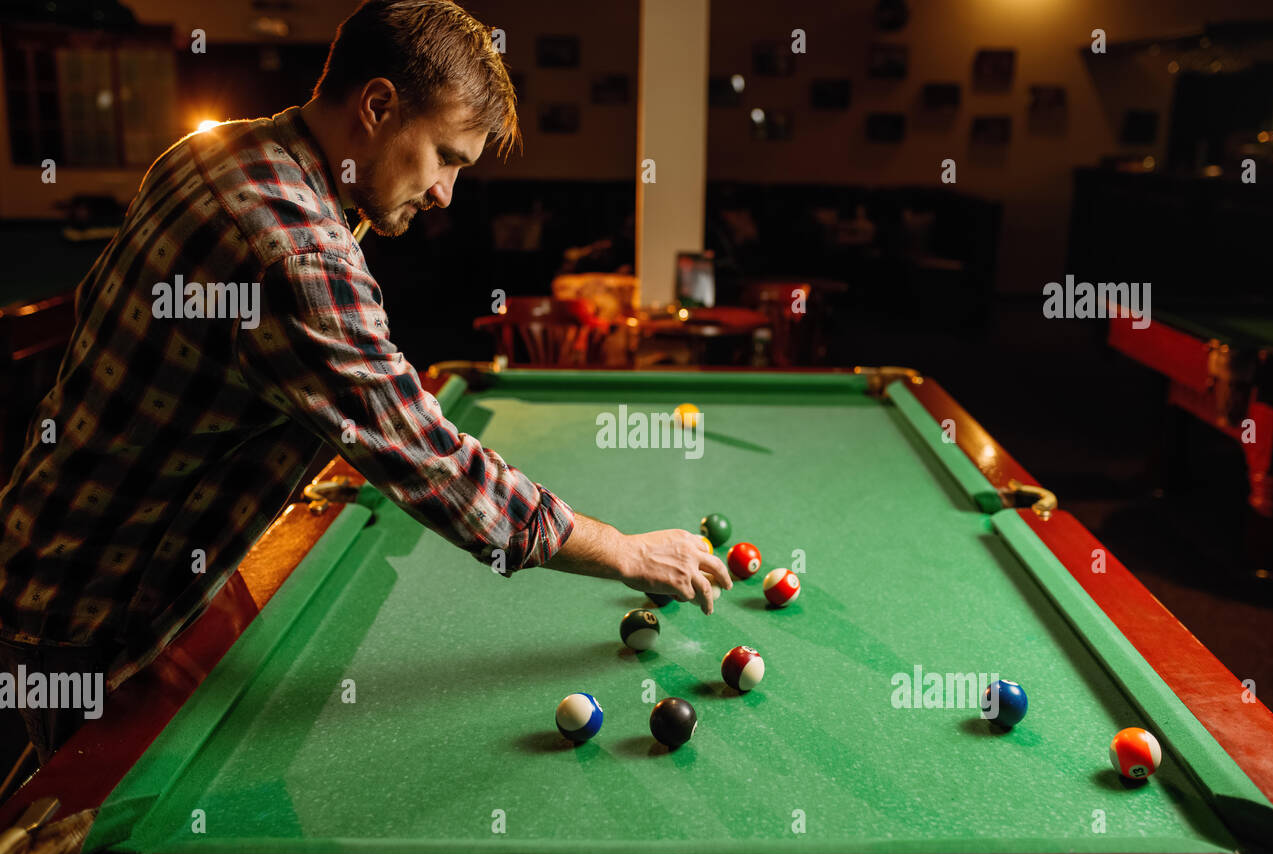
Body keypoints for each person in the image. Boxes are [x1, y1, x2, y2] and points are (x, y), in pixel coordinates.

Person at [0, 0, 730, 766]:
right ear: (378, 105)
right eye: (445, 156)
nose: (447, 191)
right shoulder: (295, 251)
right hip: (89, 610)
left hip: (56, 552)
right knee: (97, 833)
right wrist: (624, 551)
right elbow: (432, 461)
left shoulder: (215, 151)